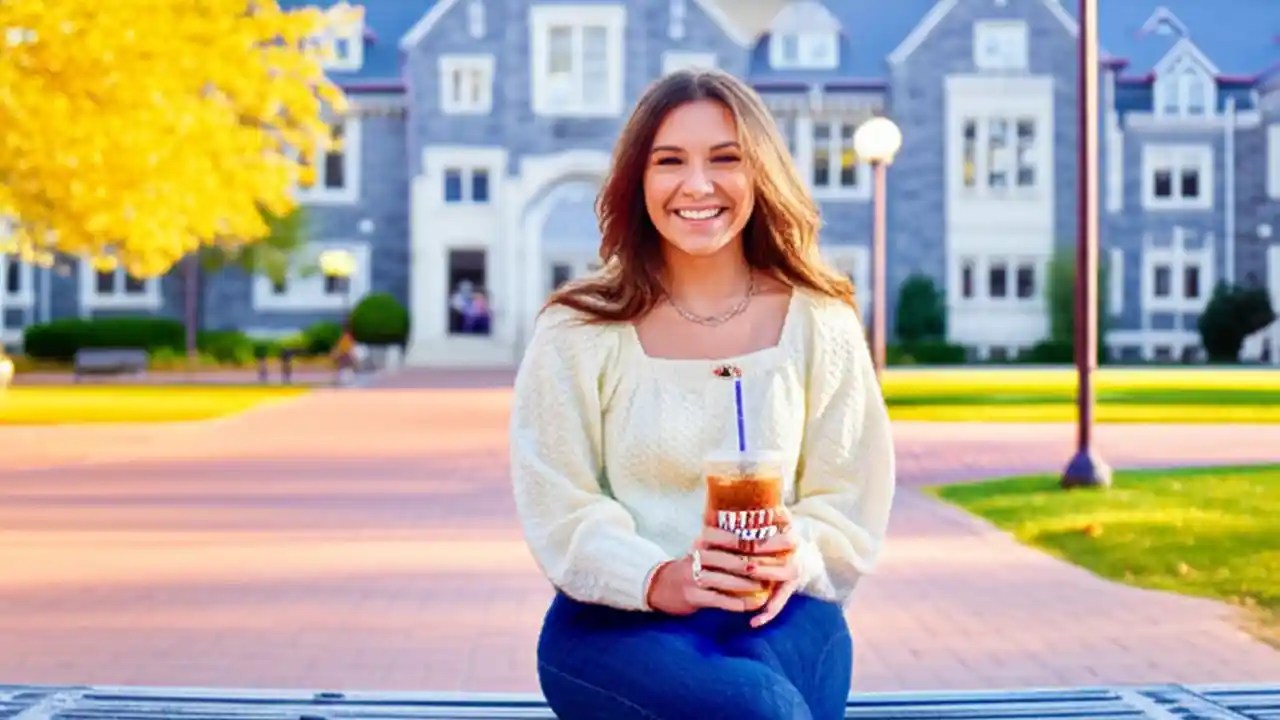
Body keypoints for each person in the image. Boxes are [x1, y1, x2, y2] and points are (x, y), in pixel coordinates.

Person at [509, 68, 897, 720]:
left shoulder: (819, 321)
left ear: (760, 174)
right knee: (757, 707)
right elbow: (560, 505)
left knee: (766, 698)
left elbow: (851, 497)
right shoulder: (577, 330)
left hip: (784, 607)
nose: (697, 184)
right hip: (616, 621)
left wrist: (790, 555)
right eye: (669, 162)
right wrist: (666, 579)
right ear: (639, 179)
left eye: (725, 159)